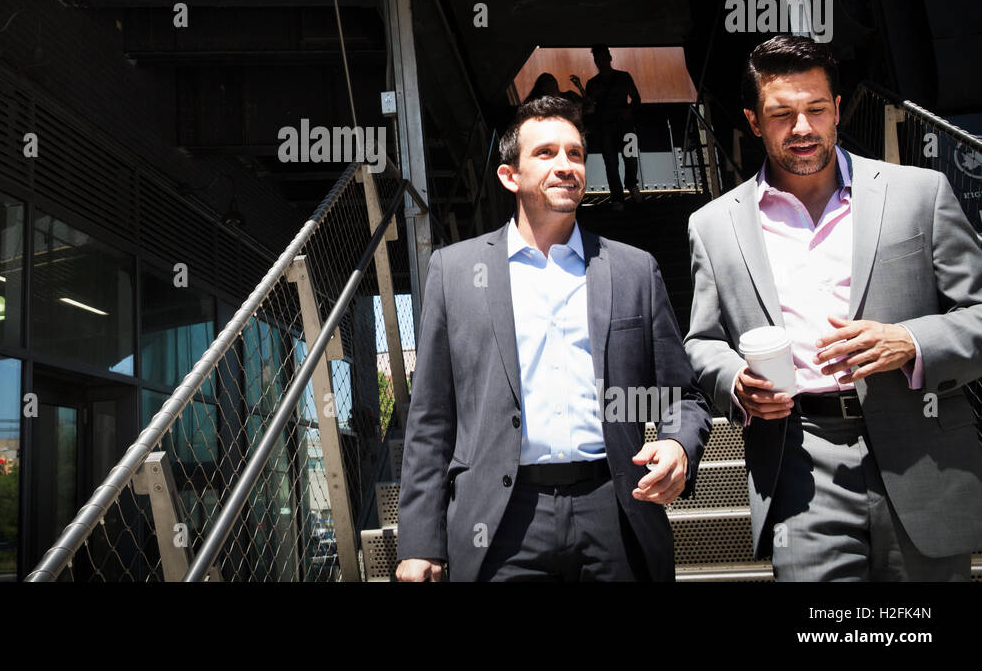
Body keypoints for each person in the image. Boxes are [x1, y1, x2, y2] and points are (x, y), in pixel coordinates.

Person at [684, 35, 982, 580]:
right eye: (782, 115)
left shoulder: (921, 192)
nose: (802, 128)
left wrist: (912, 342)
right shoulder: (713, 225)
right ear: (753, 121)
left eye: (816, 109)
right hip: (799, 460)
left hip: (921, 449)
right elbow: (701, 341)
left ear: (838, 110)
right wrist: (735, 383)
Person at [395, 95, 710, 581]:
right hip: (501, 519)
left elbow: (681, 396)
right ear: (509, 176)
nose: (565, 166)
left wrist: (677, 445)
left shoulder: (633, 270)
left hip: (614, 510)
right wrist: (419, 541)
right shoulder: (456, 271)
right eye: (545, 154)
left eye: (575, 154)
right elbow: (431, 419)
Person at [578, 46, 642, 210]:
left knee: (629, 157)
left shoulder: (622, 77)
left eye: (602, 58)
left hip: (621, 125)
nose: (600, 62)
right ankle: (619, 195)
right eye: (597, 59)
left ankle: (629, 186)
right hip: (608, 127)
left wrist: (629, 110)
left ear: (609, 58)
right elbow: (589, 107)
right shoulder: (595, 83)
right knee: (612, 163)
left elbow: (636, 99)